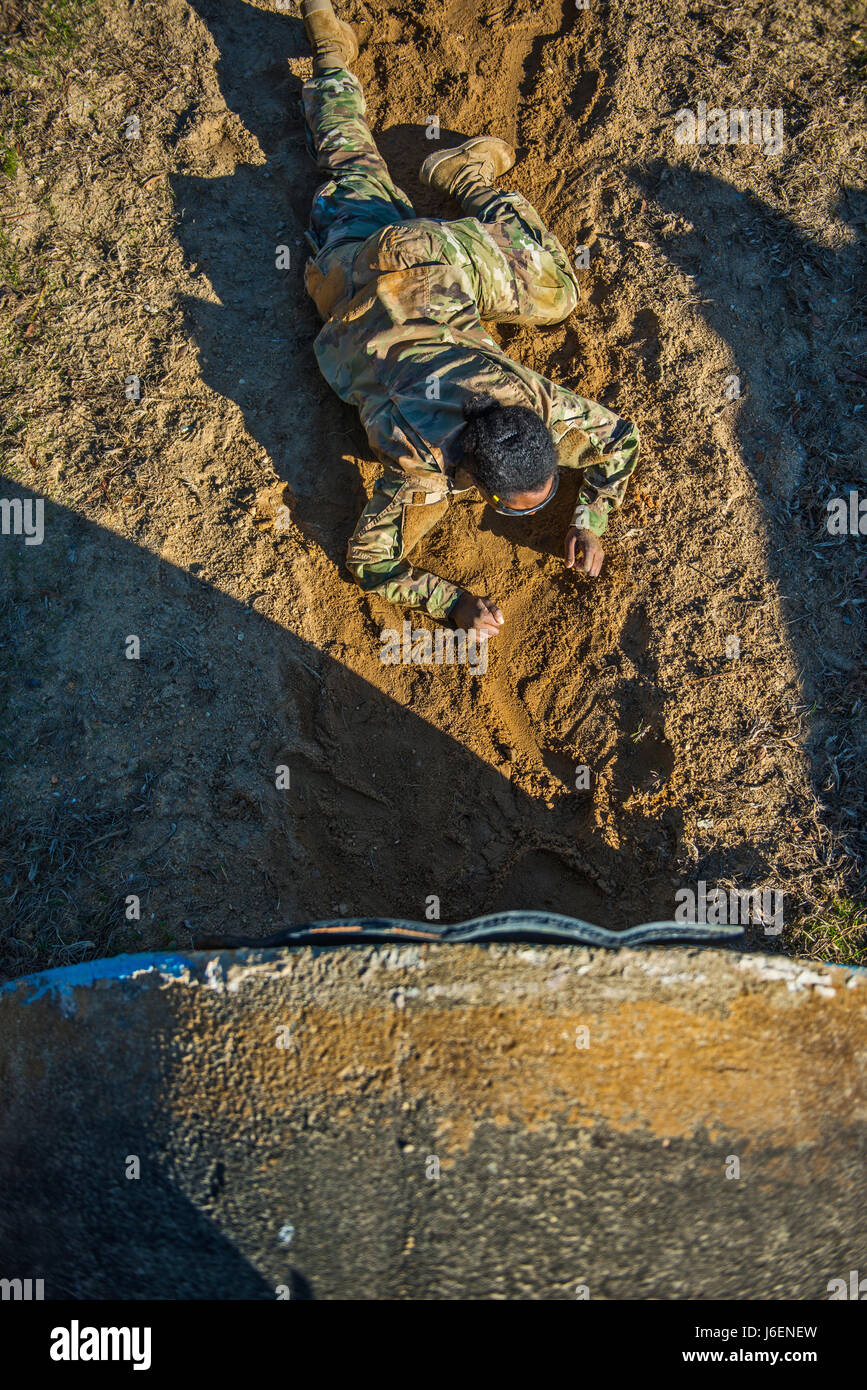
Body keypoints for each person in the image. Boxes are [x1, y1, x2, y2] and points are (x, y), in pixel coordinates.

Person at [299, 0, 640, 638]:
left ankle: (336, 52)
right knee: (348, 161)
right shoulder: (418, 465)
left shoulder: (530, 398)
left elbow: (619, 438)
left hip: (431, 266)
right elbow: (368, 564)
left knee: (558, 293)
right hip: (361, 271)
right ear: (472, 481)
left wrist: (588, 520)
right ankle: (330, 60)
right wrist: (448, 601)